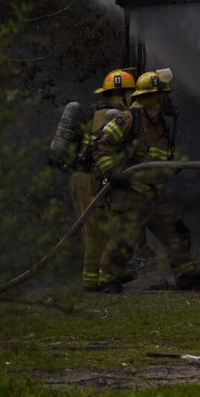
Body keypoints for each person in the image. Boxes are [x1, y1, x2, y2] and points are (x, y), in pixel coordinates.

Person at [93, 68, 200, 293]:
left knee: (177, 232)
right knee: (123, 240)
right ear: (155, 97)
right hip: (130, 193)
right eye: (164, 95)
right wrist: (113, 173)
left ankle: (186, 276)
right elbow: (102, 147)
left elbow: (156, 156)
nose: (168, 99)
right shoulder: (128, 118)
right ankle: (107, 281)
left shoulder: (157, 123)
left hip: (154, 194)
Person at [70, 68, 136, 292]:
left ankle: (96, 279)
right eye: (131, 93)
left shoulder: (99, 111)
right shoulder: (107, 115)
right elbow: (101, 148)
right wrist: (113, 173)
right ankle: (94, 282)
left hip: (87, 175)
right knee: (96, 231)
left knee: (100, 230)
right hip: (88, 176)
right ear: (123, 94)